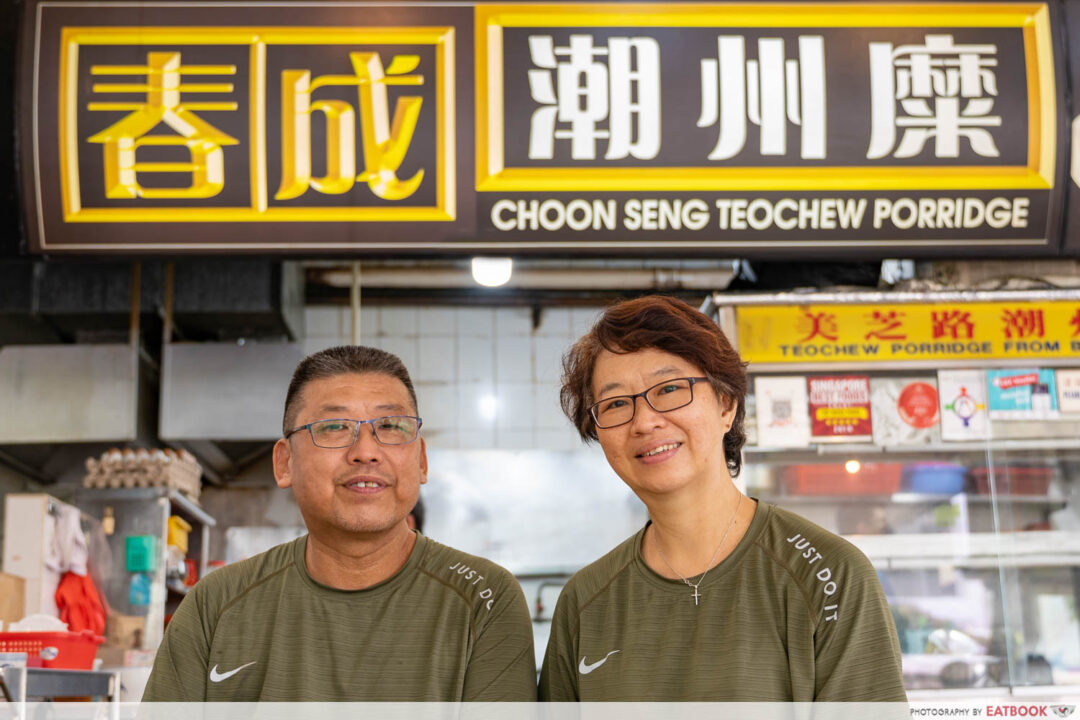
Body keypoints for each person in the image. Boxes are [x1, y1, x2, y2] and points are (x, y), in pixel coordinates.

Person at [539, 296, 907, 701]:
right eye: (615, 404)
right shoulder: (584, 602)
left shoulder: (830, 576)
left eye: (670, 388)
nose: (644, 421)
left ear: (726, 404)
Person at [143, 346, 536, 701]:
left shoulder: (484, 599)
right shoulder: (215, 605)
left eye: (391, 427)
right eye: (334, 428)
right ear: (285, 463)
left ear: (421, 461)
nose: (366, 452)